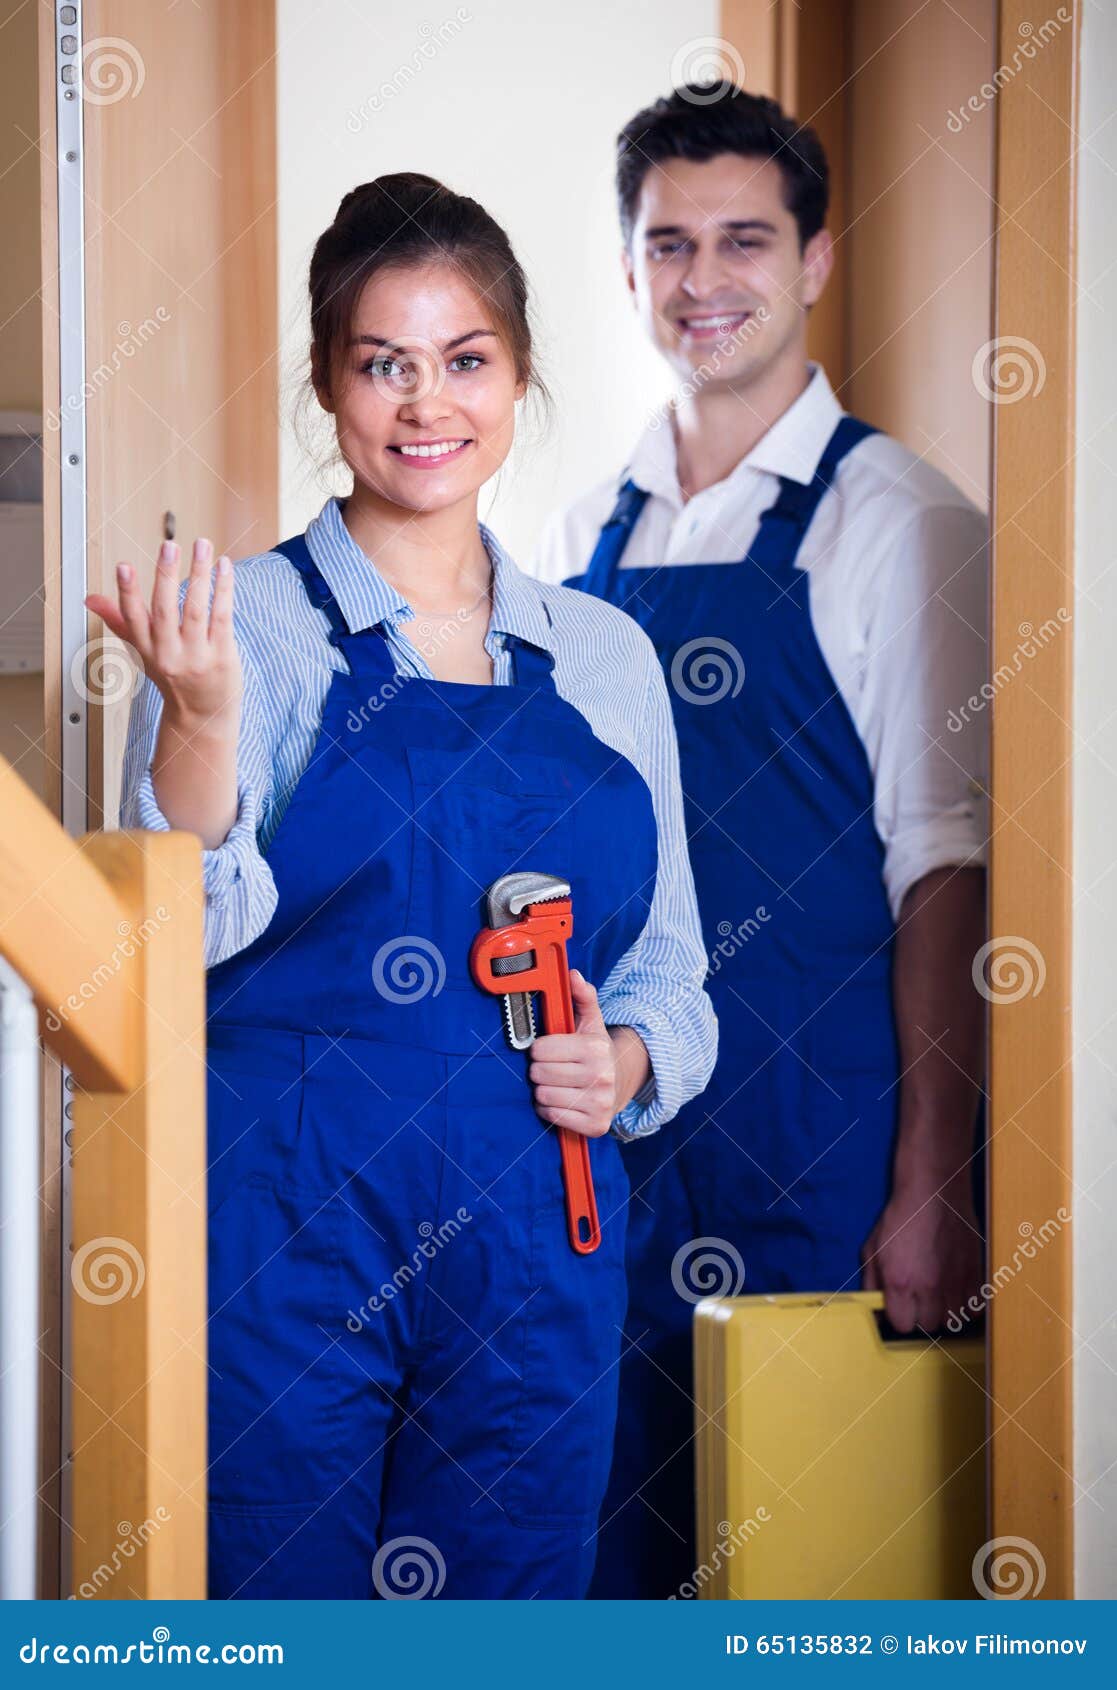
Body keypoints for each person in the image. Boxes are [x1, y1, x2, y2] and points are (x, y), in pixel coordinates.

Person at [92, 173, 716, 1600]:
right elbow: (172, 940)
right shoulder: (238, 619)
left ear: (516, 378)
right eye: (383, 363)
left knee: (502, 1618)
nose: (424, 404)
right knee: (278, 1600)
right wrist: (194, 721)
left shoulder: (605, 655)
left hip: (533, 1227)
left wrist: (621, 1059)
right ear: (326, 379)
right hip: (282, 1225)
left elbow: (671, 966)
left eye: (463, 362)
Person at [532, 83, 988, 1599]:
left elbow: (945, 865)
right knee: (616, 1552)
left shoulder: (895, 520)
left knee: (801, 1566)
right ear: (627, 272)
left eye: (745, 239)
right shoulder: (586, 536)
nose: (704, 280)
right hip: (622, 1140)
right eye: (670, 244)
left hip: (821, 1143)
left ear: (813, 260)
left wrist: (934, 1174)